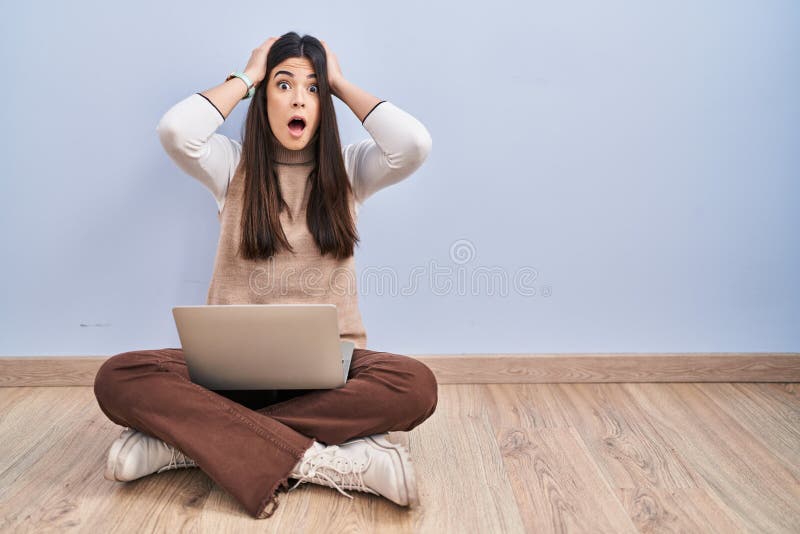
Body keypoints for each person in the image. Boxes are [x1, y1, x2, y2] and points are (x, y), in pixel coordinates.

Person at [93, 32, 438, 520]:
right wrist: (248, 75)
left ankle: (188, 445)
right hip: (229, 377)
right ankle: (325, 461)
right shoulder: (230, 165)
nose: (299, 98)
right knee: (119, 377)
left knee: (414, 385)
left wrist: (340, 83)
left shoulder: (351, 168)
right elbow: (175, 131)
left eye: (313, 87)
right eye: (284, 84)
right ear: (263, 98)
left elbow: (414, 145)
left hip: (331, 375)